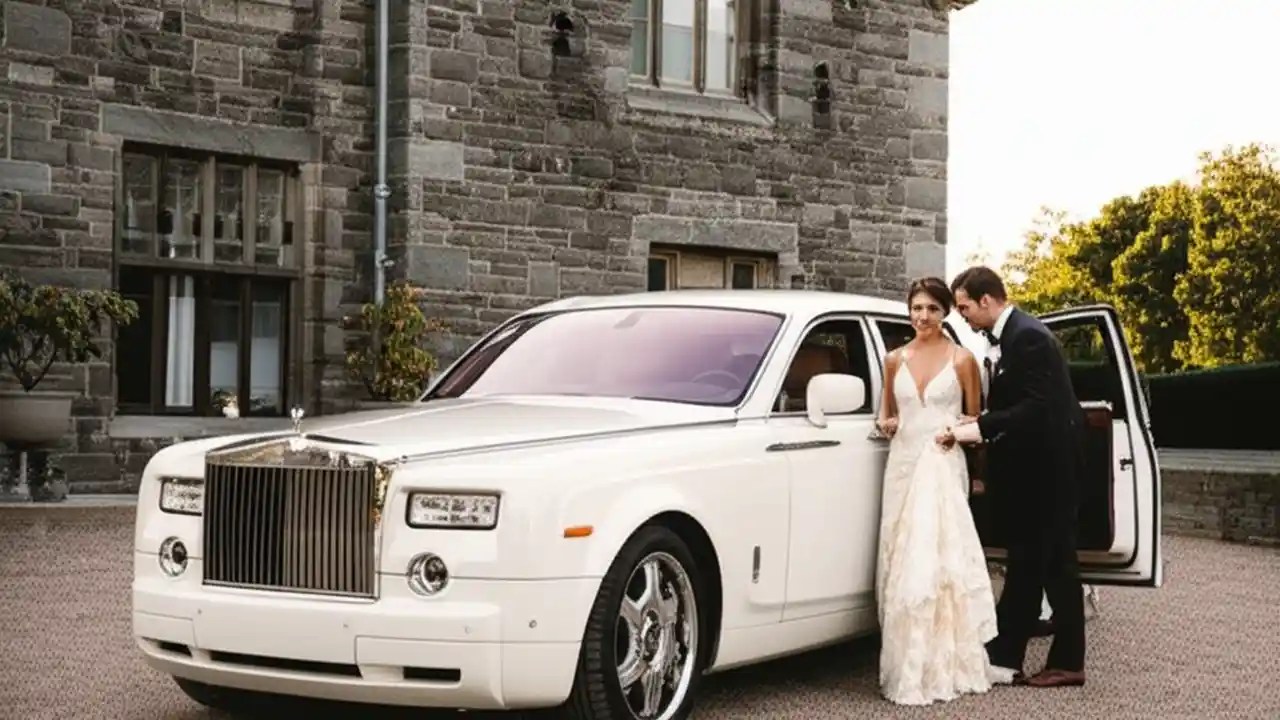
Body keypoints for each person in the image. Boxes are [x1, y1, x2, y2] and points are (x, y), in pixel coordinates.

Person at [940, 266, 1088, 688]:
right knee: (1040, 565)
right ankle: (1017, 656)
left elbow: (1037, 409)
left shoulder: (1028, 337)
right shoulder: (1020, 335)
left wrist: (977, 427)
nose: (963, 317)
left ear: (986, 301)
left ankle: (1046, 659)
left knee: (1044, 565)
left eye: (965, 307)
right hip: (1041, 470)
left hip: (1047, 473)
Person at [873, 276, 999, 705]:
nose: (922, 317)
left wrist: (956, 436)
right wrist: (886, 424)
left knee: (939, 558)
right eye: (916, 309)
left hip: (943, 465)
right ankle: (904, 656)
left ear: (946, 312)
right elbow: (885, 415)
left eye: (932, 309)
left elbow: (975, 421)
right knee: (900, 552)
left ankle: (944, 660)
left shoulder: (964, 360)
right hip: (904, 466)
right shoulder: (893, 359)